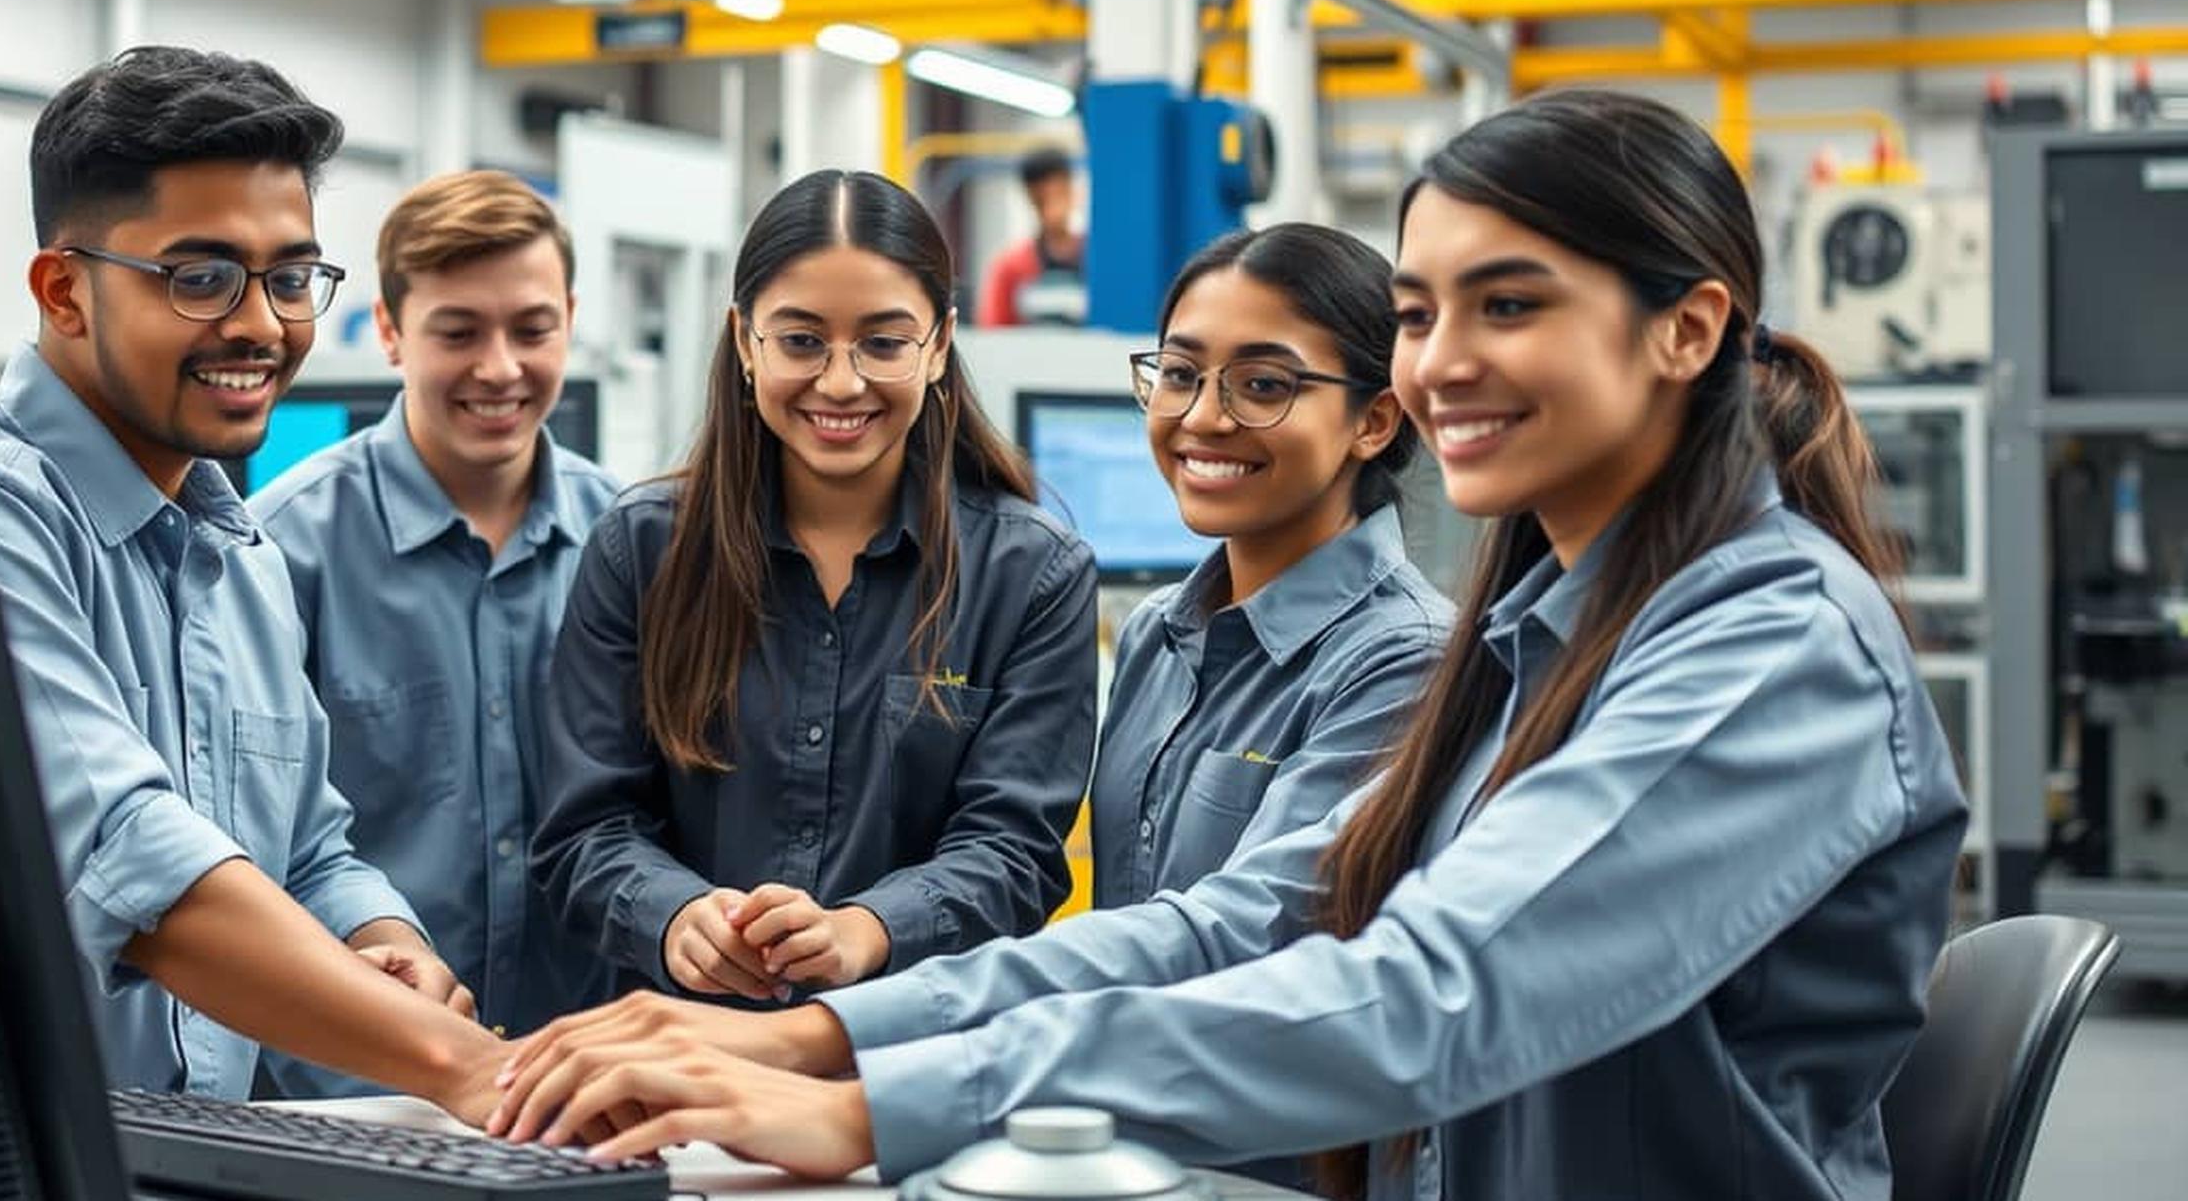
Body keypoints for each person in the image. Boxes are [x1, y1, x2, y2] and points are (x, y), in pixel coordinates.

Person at [487, 90, 1970, 1201]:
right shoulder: (1533, 641)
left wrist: (872, 1101)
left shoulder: (1764, 653)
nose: (1443, 360)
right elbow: (1227, 927)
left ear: (1688, 330)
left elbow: (1425, 999)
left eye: (1508, 305)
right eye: (1419, 313)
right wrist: (818, 1040)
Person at [0, 46, 503, 1118]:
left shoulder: (239, 556)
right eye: (201, 277)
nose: (262, 325)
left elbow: (307, 853)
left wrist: (383, 940)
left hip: (188, 1153)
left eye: (289, 278)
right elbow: (139, 869)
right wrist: (464, 1065)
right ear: (64, 292)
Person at [532, 168, 1098, 1008]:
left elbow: (1015, 851)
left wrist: (866, 931)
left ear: (939, 345)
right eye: (801, 341)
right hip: (683, 1048)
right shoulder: (642, 549)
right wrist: (674, 914)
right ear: (744, 341)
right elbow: (584, 827)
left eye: (883, 343)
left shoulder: (1033, 576)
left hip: (914, 1052)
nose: (840, 382)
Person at [252, 170, 621, 1068]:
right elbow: (256, 843)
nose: (499, 368)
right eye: (458, 332)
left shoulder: (633, 544)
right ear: (389, 330)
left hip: (584, 1077)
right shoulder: (281, 552)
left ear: (570, 320)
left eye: (532, 329)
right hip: (352, 1082)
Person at [1097, 224, 1448, 919]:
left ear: (1374, 421)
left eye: (1262, 385)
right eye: (1179, 375)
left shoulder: (1409, 662)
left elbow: (1249, 927)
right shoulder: (1155, 635)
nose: (1204, 417)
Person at [975, 147, 1085, 326]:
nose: (1054, 208)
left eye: (1059, 194)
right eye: (1043, 199)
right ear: (1031, 197)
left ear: (1072, 190)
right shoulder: (1010, 269)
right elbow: (993, 330)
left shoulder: (1100, 263)